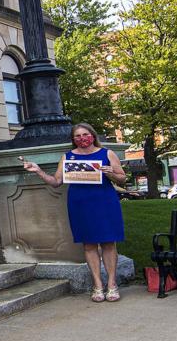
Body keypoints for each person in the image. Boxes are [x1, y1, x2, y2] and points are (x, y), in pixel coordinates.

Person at [21, 123, 129, 302]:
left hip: (104, 201)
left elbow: (122, 179)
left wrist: (111, 173)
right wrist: (38, 171)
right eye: (77, 136)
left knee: (109, 243)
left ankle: (111, 284)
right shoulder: (68, 157)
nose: (82, 138)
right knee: (89, 245)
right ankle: (97, 285)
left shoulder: (107, 153)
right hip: (80, 203)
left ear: (92, 136)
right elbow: (56, 182)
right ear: (73, 139)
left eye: (85, 134)